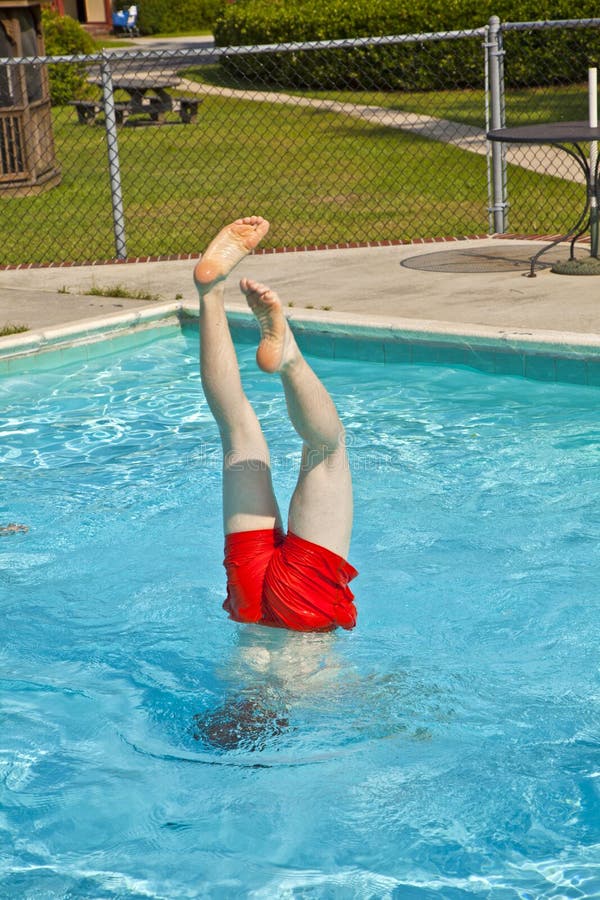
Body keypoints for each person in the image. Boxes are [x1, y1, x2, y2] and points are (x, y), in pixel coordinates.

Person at [194, 216, 358, 633]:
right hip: (252, 602)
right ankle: (210, 293)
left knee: (327, 450)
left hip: (302, 612)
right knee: (237, 434)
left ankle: (289, 360)